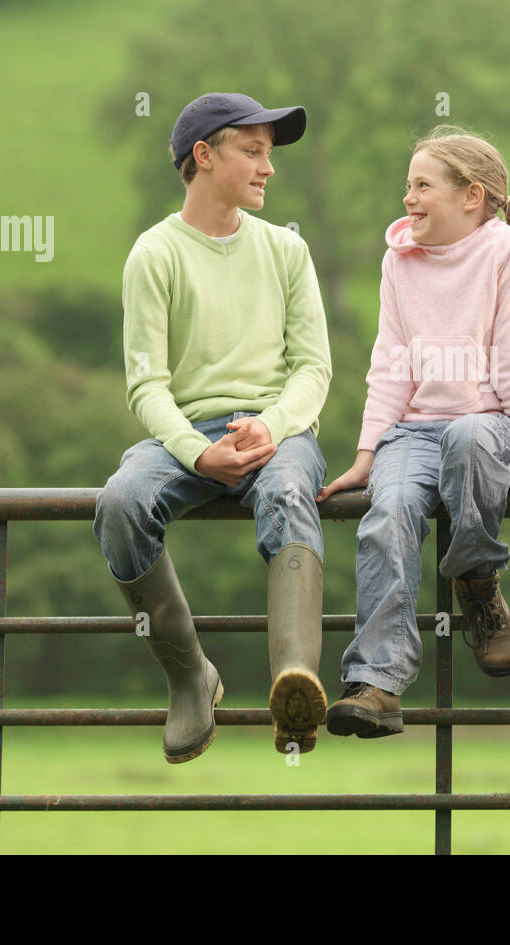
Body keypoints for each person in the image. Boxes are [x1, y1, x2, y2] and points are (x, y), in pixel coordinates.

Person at [317, 127, 510, 738]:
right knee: (387, 516)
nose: (408, 198)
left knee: (466, 436)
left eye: (422, 185)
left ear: (472, 196)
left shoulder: (507, 254)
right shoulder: (398, 261)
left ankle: (477, 581)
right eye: (407, 185)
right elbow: (389, 363)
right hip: (413, 433)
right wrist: (366, 455)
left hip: (492, 432)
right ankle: (377, 684)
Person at [93, 92, 332, 762]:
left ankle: (295, 682)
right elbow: (147, 385)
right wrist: (199, 454)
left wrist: (274, 425)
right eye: (253, 152)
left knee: (288, 494)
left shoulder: (287, 250)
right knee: (119, 501)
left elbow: (314, 368)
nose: (269, 168)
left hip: (278, 431)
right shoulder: (154, 254)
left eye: (270, 154)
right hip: (186, 436)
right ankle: (190, 676)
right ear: (204, 156)